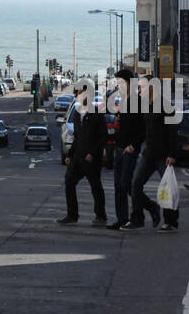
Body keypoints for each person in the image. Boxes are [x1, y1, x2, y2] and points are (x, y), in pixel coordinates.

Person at [127, 80, 180, 229]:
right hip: (148, 153)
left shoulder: (165, 105)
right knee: (135, 184)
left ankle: (171, 222)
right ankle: (137, 219)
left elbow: (172, 132)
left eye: (142, 87)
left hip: (163, 155)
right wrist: (134, 145)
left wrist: (172, 154)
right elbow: (143, 131)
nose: (139, 89)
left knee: (168, 188)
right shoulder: (145, 106)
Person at [57, 83, 106, 225]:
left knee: (96, 187)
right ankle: (72, 215)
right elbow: (77, 138)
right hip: (78, 157)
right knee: (69, 182)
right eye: (76, 94)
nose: (78, 97)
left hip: (91, 159)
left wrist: (93, 153)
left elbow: (102, 137)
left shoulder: (96, 114)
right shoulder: (78, 114)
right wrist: (69, 155)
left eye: (80, 94)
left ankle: (100, 217)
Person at [109, 67, 145, 230]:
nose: (119, 85)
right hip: (119, 147)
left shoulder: (137, 101)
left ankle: (150, 208)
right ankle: (122, 219)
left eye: (121, 82)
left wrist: (133, 146)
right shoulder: (123, 100)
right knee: (118, 187)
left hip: (129, 149)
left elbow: (142, 128)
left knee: (126, 185)